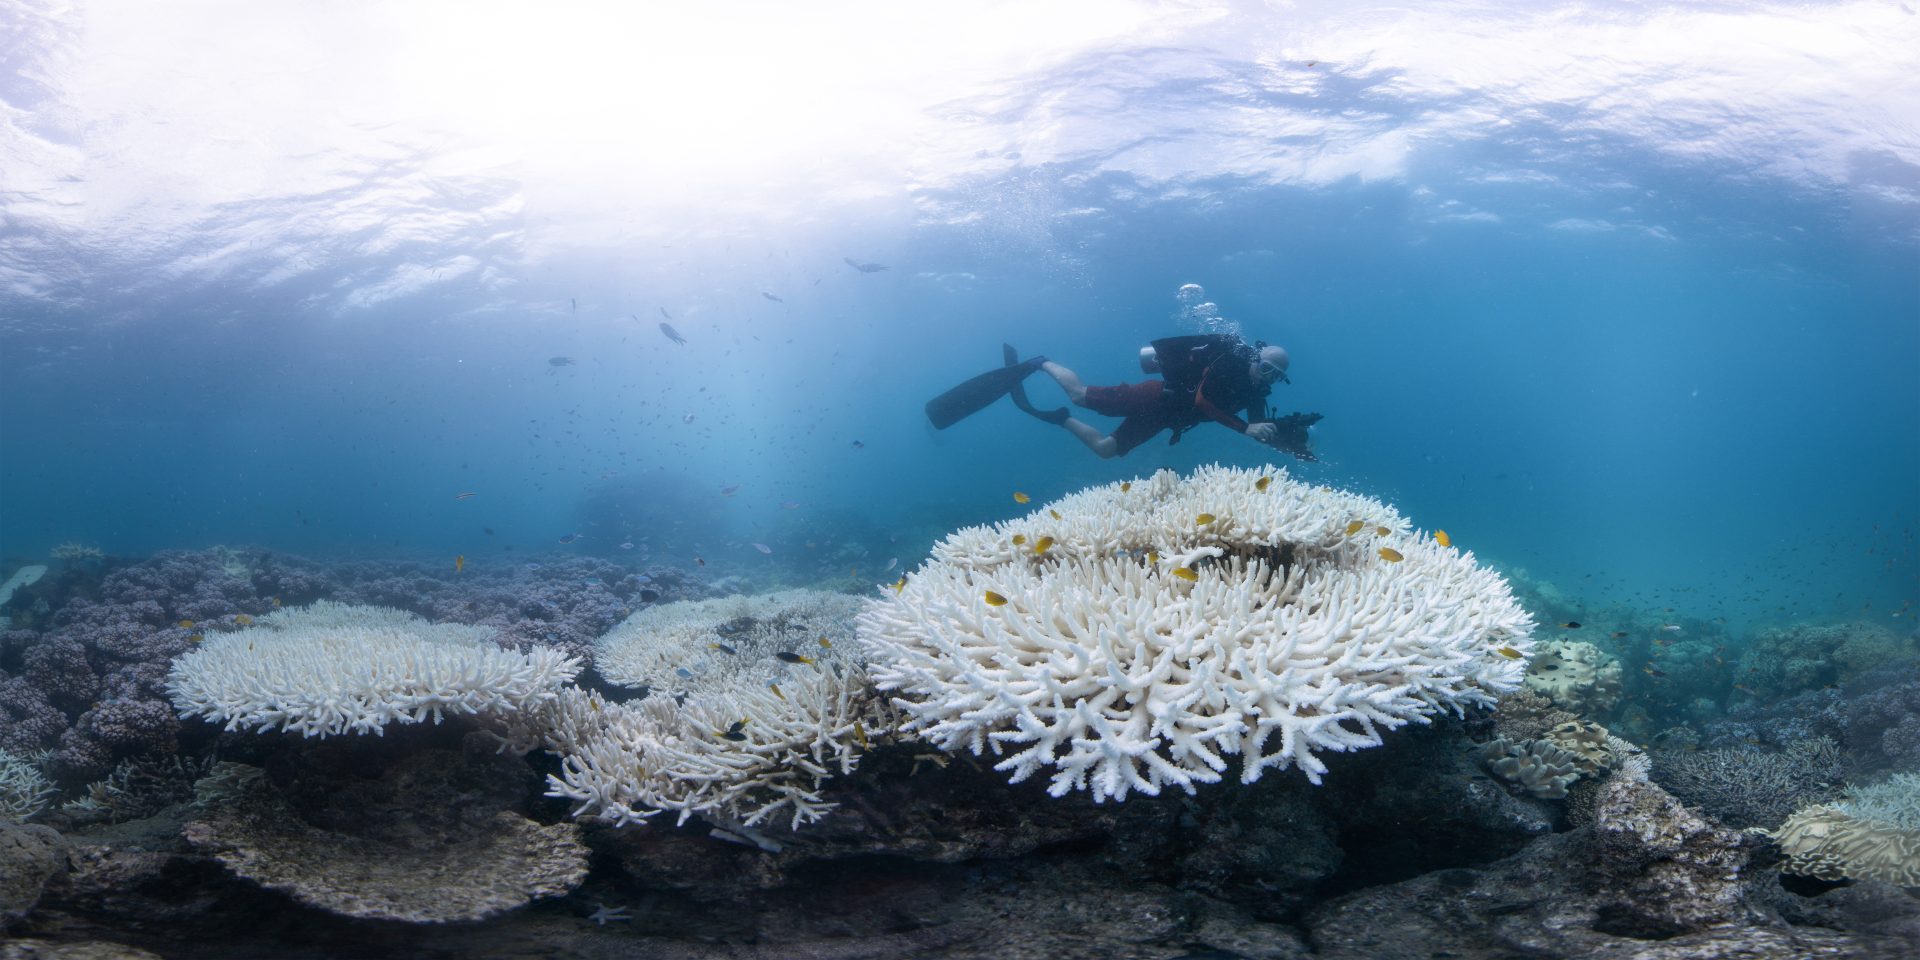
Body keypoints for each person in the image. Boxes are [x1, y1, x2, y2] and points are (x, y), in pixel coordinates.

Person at [925, 333, 1320, 460]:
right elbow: (1202, 402)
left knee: (1106, 450)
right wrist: (1245, 428)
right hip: (1152, 397)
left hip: (1167, 418)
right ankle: (1040, 362)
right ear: (1255, 356)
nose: (1265, 375)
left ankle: (1059, 417)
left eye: (1274, 375)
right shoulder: (1229, 364)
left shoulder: (1256, 389)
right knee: (1081, 394)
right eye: (1265, 366)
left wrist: (1283, 437)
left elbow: (1255, 425)